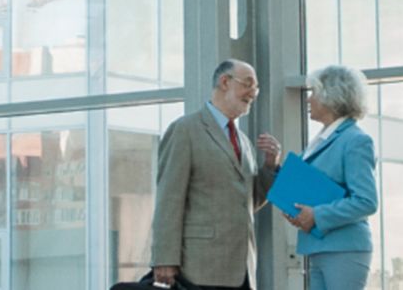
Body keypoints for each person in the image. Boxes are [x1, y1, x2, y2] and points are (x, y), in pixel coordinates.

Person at [150, 60, 282, 290]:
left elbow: (250, 201)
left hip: (242, 269)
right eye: (248, 84)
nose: (253, 93)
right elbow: (168, 200)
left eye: (257, 88)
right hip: (200, 268)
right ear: (224, 82)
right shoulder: (185, 130)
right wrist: (164, 259)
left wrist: (270, 166)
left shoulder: (244, 142)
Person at [281, 65, 377, 290]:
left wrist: (316, 214)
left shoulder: (356, 141)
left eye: (314, 92)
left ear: (331, 96)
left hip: (345, 247)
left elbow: (366, 201)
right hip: (319, 246)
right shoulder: (321, 140)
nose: (308, 100)